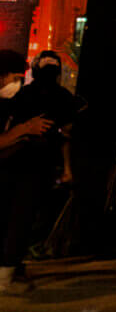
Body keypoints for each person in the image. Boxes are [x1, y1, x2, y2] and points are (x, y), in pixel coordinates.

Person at [0, 52, 75, 295]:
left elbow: (64, 134)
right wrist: (25, 128)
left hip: (30, 169)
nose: (17, 82)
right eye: (14, 76)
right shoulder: (19, 99)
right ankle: (6, 274)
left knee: (20, 219)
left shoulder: (32, 97)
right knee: (17, 220)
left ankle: (10, 267)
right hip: (18, 168)